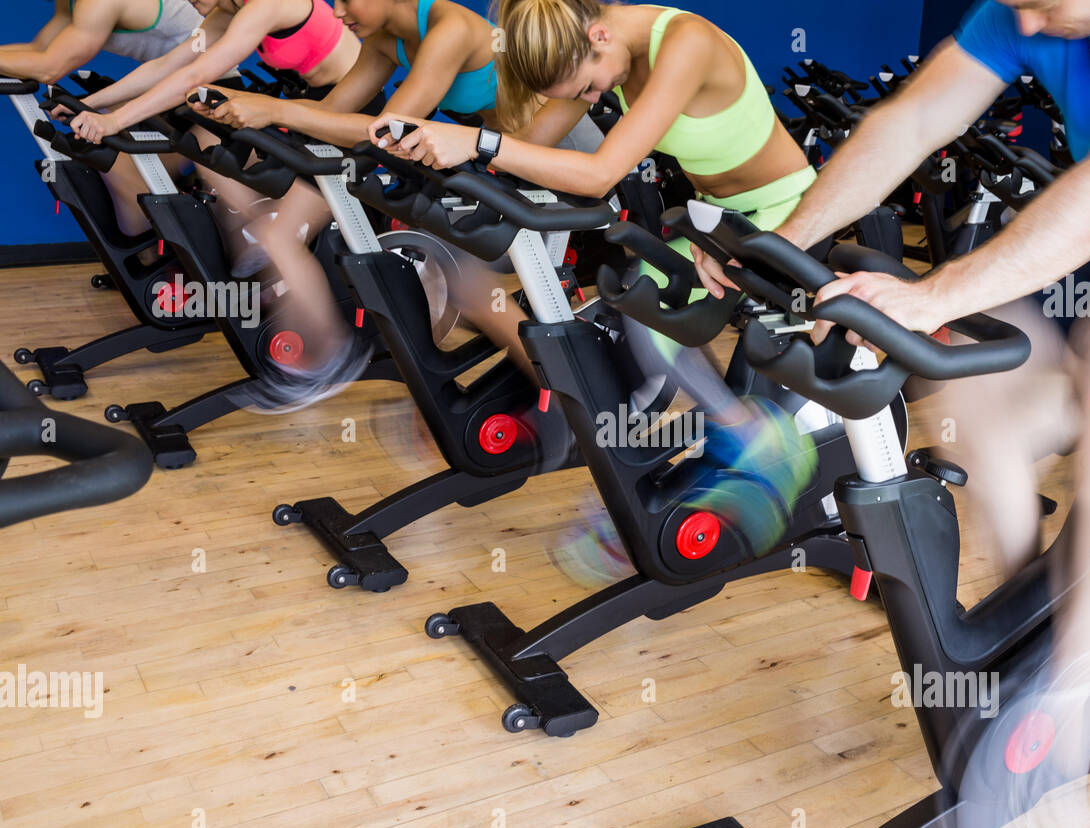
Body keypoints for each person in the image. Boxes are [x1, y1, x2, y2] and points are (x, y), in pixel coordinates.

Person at [697, 0, 1090, 828]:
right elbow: (911, 121)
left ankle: (1081, 688)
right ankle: (1032, 617)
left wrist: (932, 292)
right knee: (981, 369)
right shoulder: (1028, 9)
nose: (1020, 12)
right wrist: (784, 239)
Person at [368, 0, 828, 580]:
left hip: (789, 212)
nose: (591, 101)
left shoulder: (684, 41)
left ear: (601, 36)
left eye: (587, 88)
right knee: (633, 314)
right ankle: (653, 477)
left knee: (650, 326)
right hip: (716, 221)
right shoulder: (592, 49)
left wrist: (478, 145)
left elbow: (598, 172)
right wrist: (445, 162)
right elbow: (526, 145)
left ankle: (754, 444)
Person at [193, 0, 601, 379]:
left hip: (552, 150)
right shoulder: (388, 41)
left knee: (472, 285)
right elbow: (334, 110)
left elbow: (385, 129)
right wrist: (240, 102)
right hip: (502, 155)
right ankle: (556, 389)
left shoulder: (451, 28)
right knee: (466, 283)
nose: (337, 13)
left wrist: (275, 111)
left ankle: (565, 392)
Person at [63, 0, 379, 410]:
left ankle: (332, 359)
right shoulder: (228, 12)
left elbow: (195, 75)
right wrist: (94, 106)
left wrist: (115, 121)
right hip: (309, 110)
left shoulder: (268, 5)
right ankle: (252, 239)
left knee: (281, 238)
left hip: (345, 122)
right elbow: (172, 64)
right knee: (205, 140)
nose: (190, 2)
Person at [0, 0, 212, 237]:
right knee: (120, 167)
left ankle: (161, 256)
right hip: (166, 86)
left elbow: (50, 68)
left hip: (203, 92)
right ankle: (162, 251)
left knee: (126, 174)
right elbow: (40, 48)